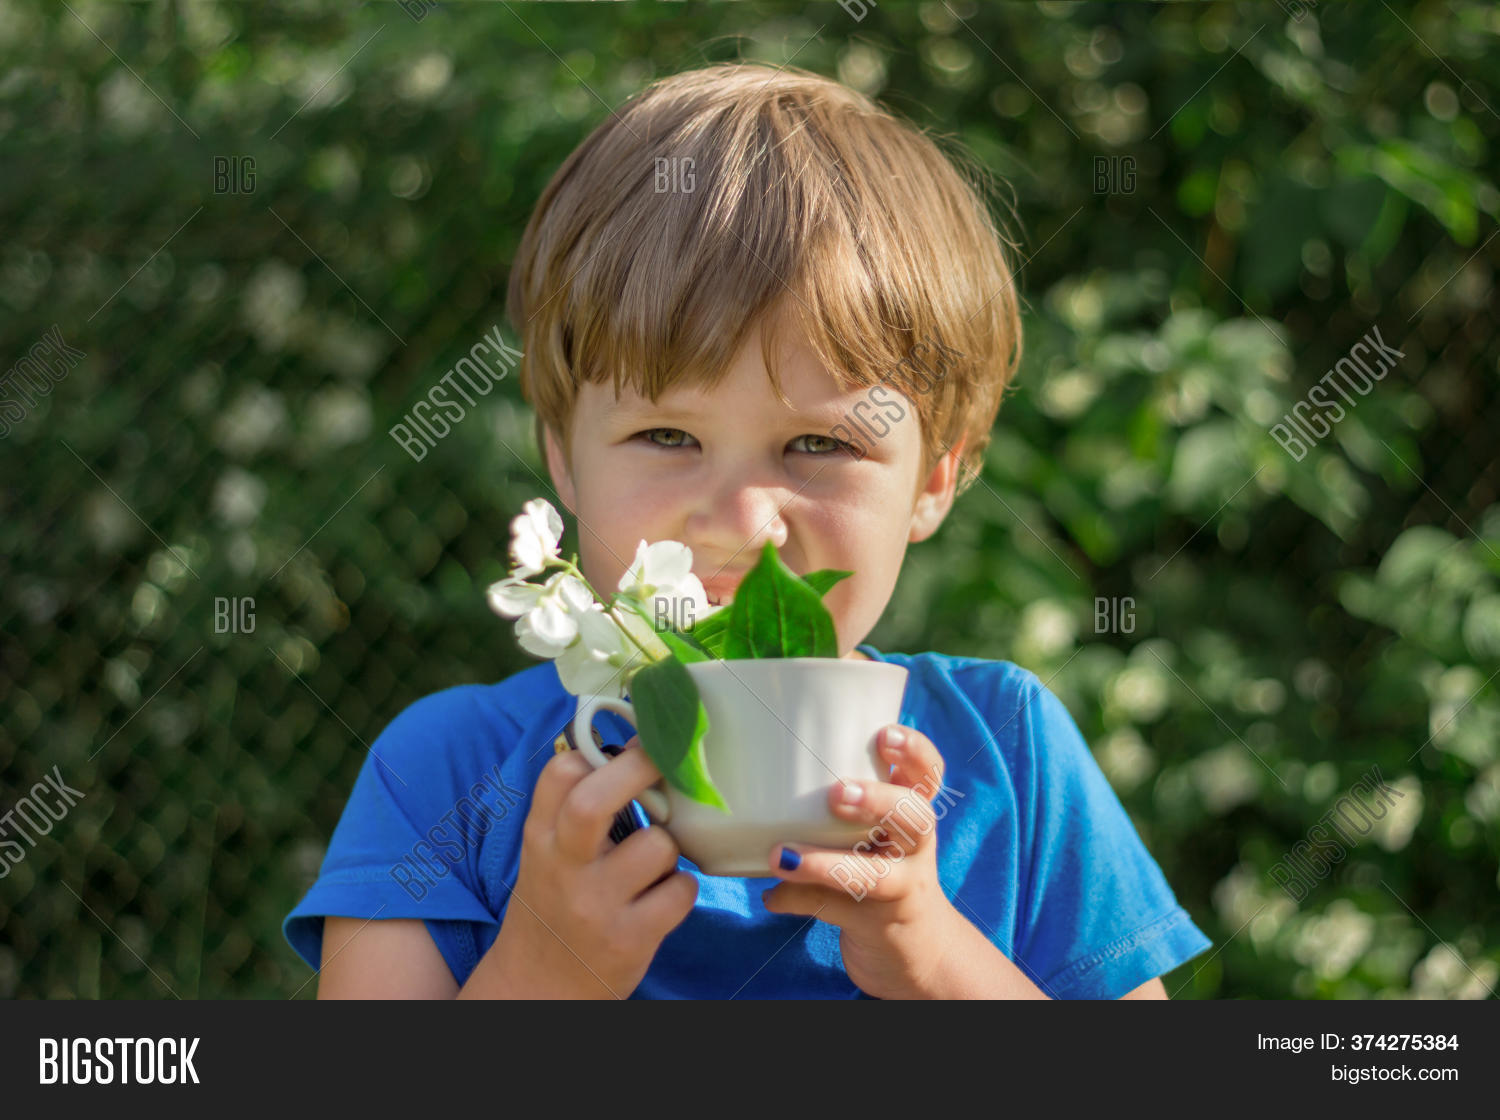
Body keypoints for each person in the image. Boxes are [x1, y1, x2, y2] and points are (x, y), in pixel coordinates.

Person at [284, 61, 1211, 998]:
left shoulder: (1009, 753)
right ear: (563, 456)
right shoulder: (449, 775)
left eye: (818, 442)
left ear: (934, 478)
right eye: (666, 435)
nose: (741, 521)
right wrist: (545, 972)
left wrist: (933, 957)